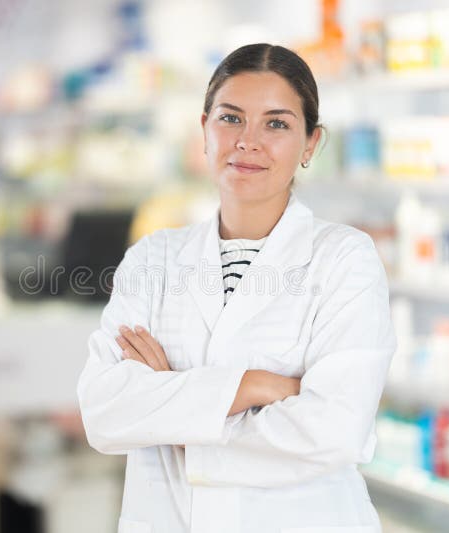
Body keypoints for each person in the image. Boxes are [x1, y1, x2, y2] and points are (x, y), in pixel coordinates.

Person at [77, 43, 396, 533]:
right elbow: (104, 412)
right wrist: (255, 386)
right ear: (203, 129)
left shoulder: (343, 258)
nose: (248, 141)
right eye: (230, 118)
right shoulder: (154, 258)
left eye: (276, 123)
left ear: (311, 144)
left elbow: (335, 430)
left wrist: (175, 417)